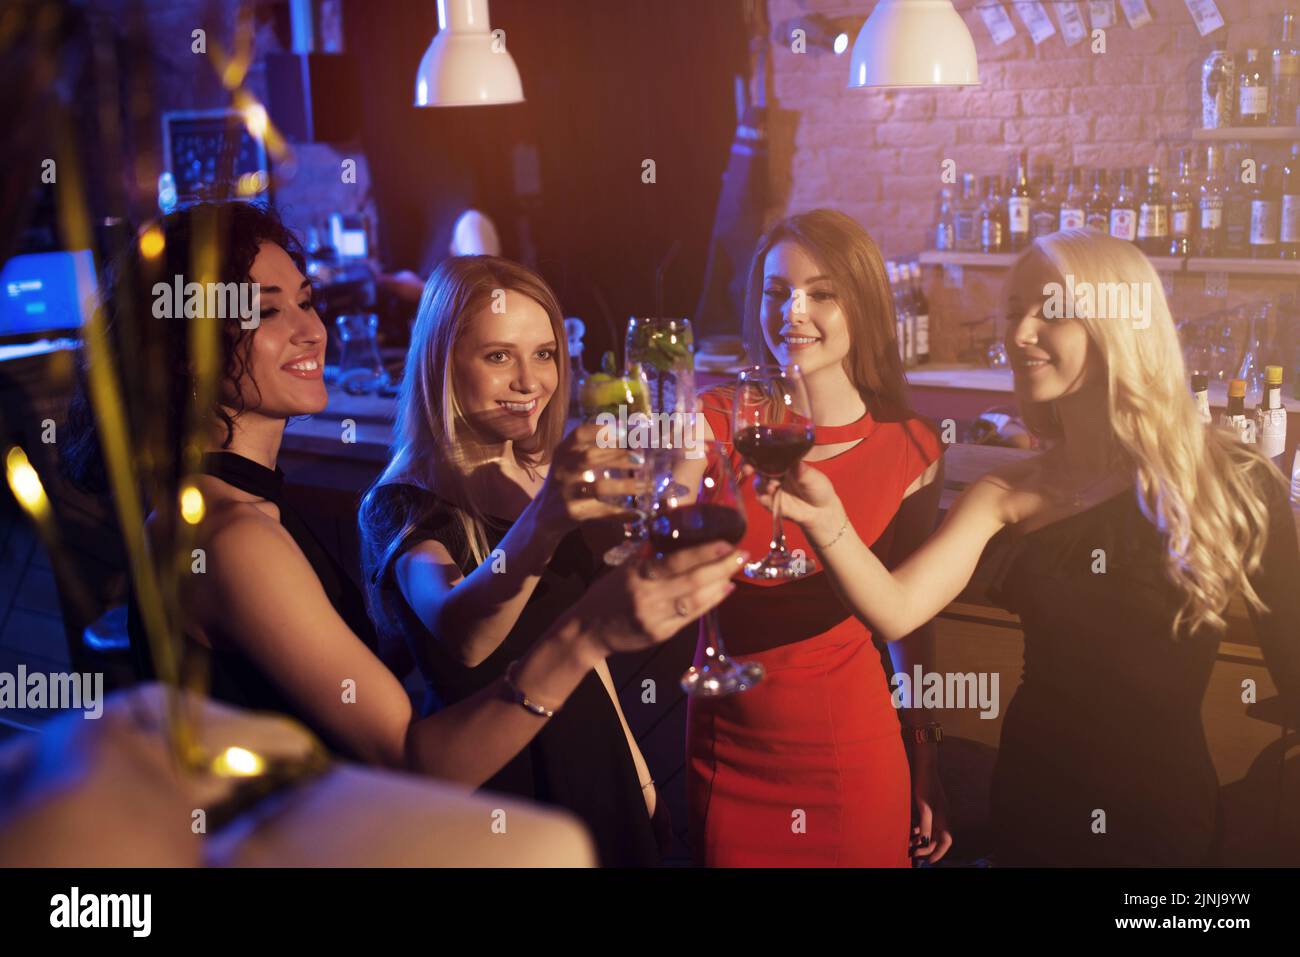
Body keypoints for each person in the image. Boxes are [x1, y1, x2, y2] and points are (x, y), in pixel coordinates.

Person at [61, 203, 743, 841]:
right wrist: (587, 632)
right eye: (268, 312)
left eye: (306, 299)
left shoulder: (234, 506)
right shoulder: (232, 534)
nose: (311, 329)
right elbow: (413, 760)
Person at [762, 228, 1300, 865]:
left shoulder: (1232, 481)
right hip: (1034, 808)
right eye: (1015, 312)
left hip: (1166, 822)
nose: (1020, 334)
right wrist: (828, 524)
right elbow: (897, 609)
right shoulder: (1005, 490)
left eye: (1052, 310)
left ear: (1117, 325)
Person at [359, 254, 698, 866]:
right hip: (504, 802)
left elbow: (586, 648)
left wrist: (641, 778)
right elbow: (464, 632)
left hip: (603, 777)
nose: (529, 381)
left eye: (544, 354)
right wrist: (546, 516)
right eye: (498, 356)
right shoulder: (401, 502)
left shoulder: (542, 476)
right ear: (443, 360)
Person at [680, 209, 952, 867]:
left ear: (862, 302)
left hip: (851, 755)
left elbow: (908, 629)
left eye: (821, 292)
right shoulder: (714, 417)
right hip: (729, 747)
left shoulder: (912, 446)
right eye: (777, 292)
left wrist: (926, 755)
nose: (793, 311)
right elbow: (663, 517)